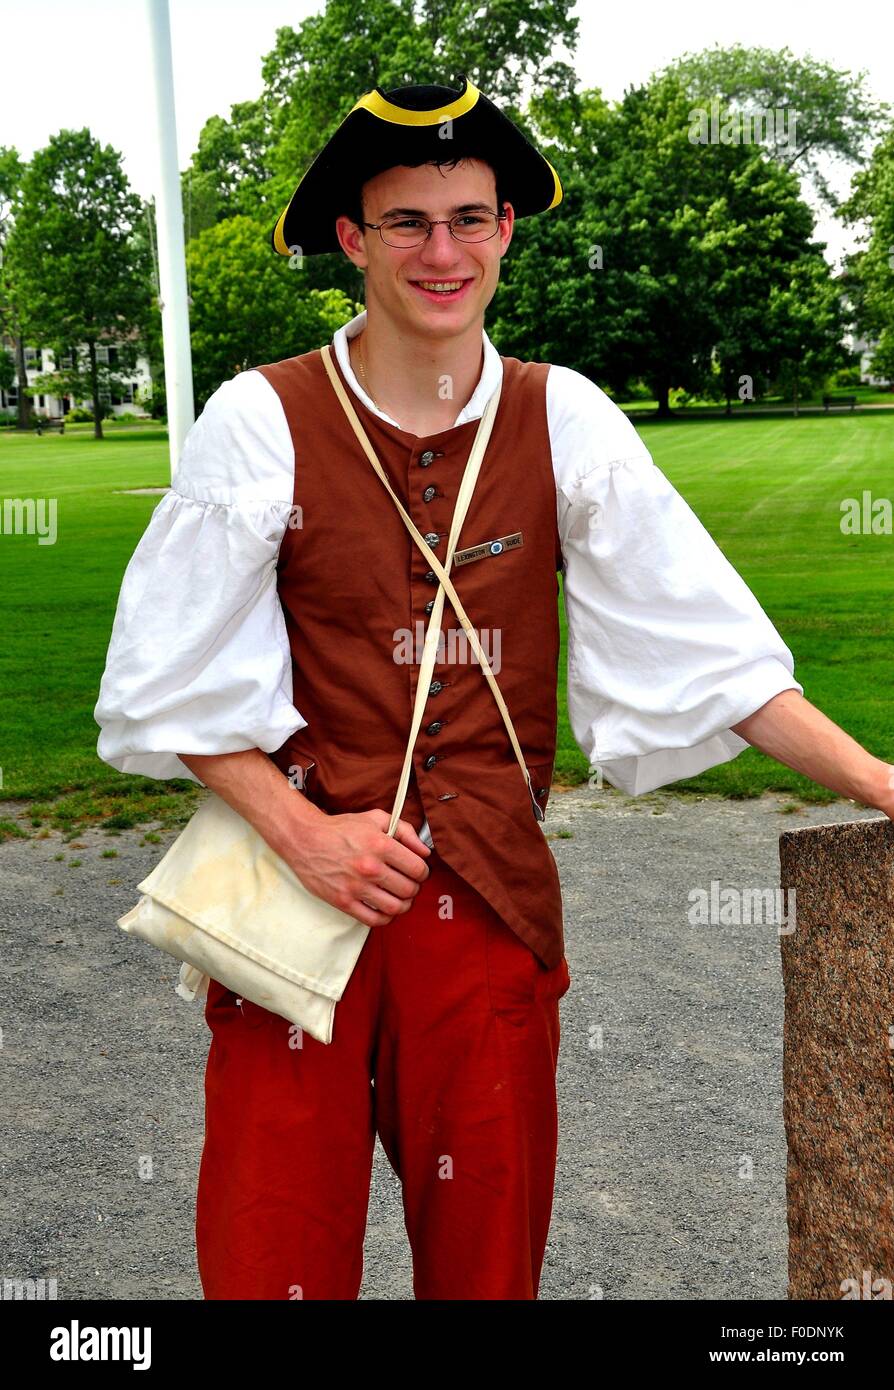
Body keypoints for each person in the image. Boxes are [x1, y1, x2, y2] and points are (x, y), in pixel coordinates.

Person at [94, 76, 894, 1301]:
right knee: (270, 1259)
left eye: (471, 216)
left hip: (487, 904)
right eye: (408, 220)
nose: (443, 249)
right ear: (353, 240)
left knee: (486, 1272)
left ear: (508, 229)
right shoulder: (261, 418)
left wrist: (877, 778)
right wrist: (308, 835)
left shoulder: (561, 415)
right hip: (297, 894)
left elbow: (714, 648)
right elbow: (168, 683)